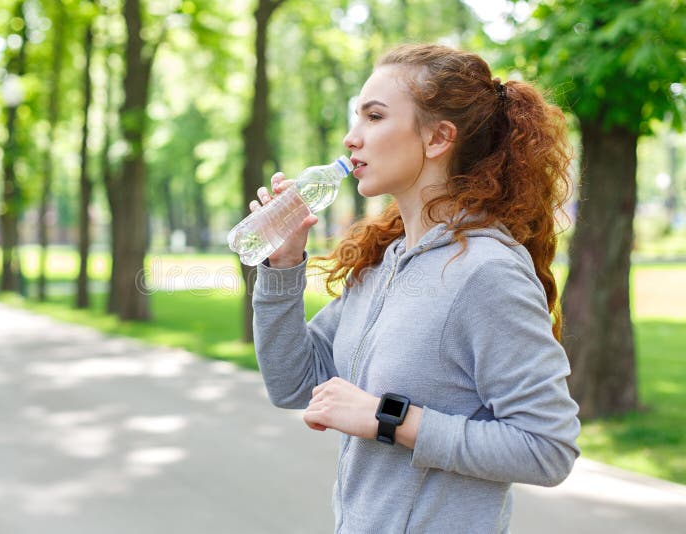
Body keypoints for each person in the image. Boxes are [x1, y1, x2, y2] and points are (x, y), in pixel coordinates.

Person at [249, 43, 581, 533]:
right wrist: (282, 264)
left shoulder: (486, 272)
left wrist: (388, 419)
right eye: (355, 118)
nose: (350, 138)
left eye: (374, 117)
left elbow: (547, 447)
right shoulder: (385, 261)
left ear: (438, 137)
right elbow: (295, 384)